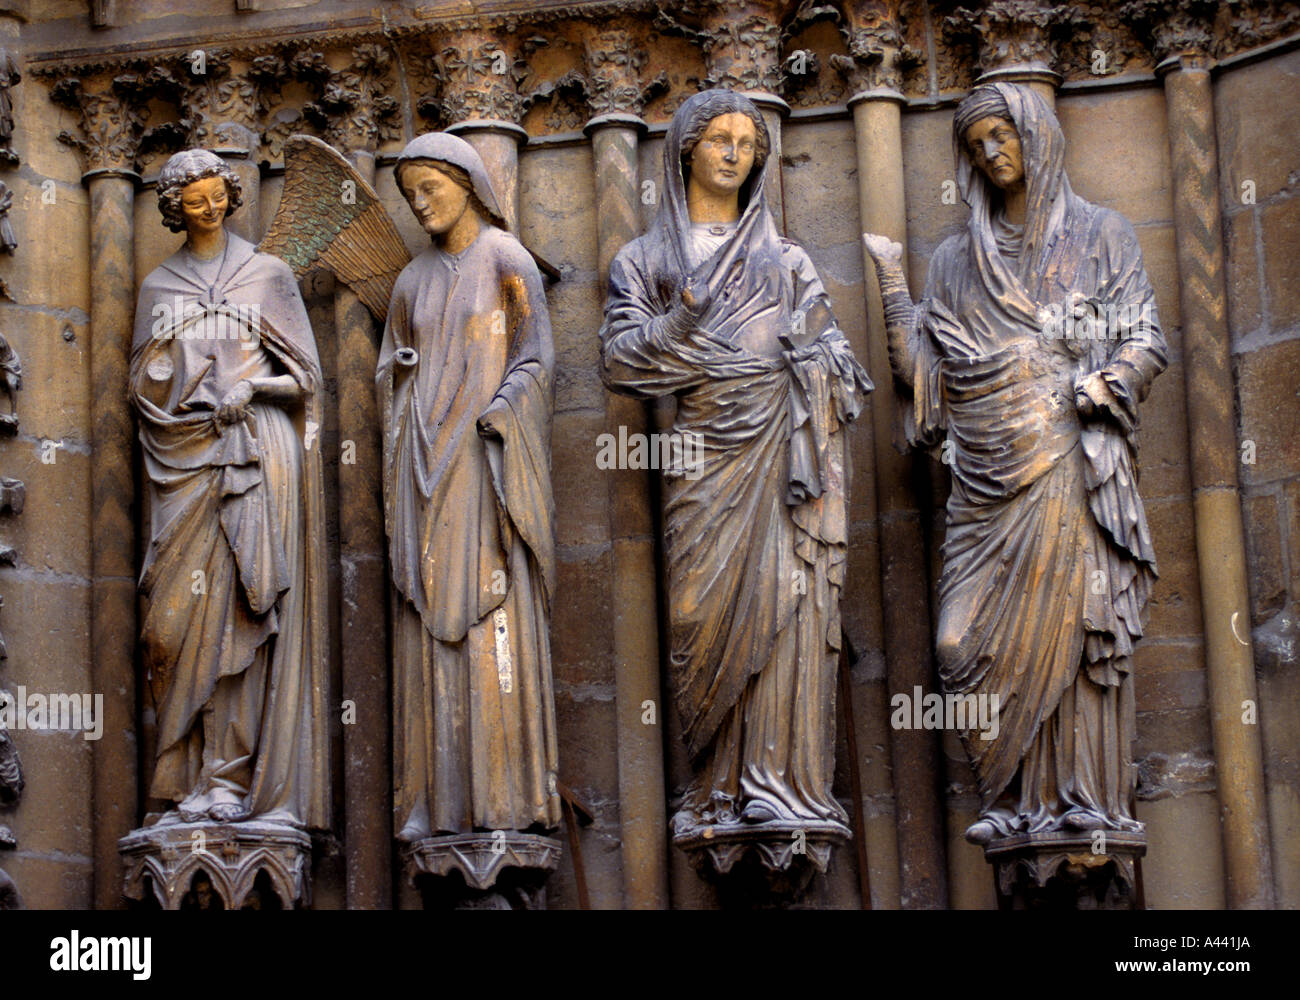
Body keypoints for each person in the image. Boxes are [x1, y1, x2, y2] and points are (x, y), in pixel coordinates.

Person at [863, 82, 1167, 844]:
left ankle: (1080, 806)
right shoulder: (956, 262)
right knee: (956, 644)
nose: (993, 154)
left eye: (1002, 136)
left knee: (1072, 633)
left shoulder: (1101, 234)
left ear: (1039, 137)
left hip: (1068, 463)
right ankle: (1013, 795)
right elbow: (921, 380)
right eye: (976, 146)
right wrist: (894, 284)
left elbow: (1145, 336)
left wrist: (1108, 380)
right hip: (984, 482)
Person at [600, 89, 872, 842]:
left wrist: (814, 368)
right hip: (702, 465)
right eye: (717, 138)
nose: (731, 152)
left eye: (746, 143)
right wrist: (683, 318)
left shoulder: (786, 261)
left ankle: (782, 782)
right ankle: (718, 787)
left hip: (784, 452)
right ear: (685, 148)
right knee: (699, 613)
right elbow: (619, 361)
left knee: (789, 608)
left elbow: (841, 359)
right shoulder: (645, 258)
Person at [130, 149, 330, 828]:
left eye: (218, 196)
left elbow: (305, 377)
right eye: (194, 201)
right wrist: (182, 379)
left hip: (255, 455)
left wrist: (250, 384)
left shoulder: (268, 274)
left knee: (243, 613)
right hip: (184, 460)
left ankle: (231, 778)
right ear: (173, 210)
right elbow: (142, 384)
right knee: (173, 627)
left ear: (232, 195)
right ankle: (184, 775)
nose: (210, 208)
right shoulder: (159, 287)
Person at [379, 133, 561, 845]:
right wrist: (395, 375)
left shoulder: (507, 260)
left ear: (467, 181)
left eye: (431, 187)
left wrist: (502, 411)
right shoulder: (408, 282)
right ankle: (437, 797)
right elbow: (393, 372)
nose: (421, 203)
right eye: (409, 194)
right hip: (424, 473)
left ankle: (505, 796)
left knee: (495, 623)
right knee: (427, 633)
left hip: (487, 469)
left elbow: (538, 358)